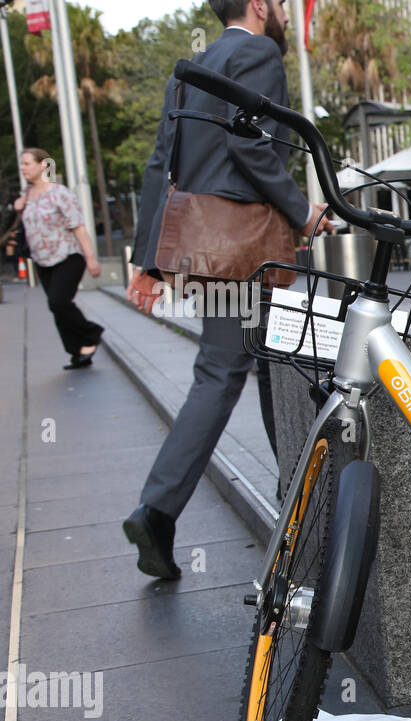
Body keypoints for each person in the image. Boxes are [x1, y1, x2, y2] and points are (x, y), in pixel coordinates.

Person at [123, 0, 331, 581]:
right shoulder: (260, 52)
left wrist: (149, 261)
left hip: (206, 246)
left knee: (232, 370)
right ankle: (294, 507)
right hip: (250, 245)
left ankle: (160, 510)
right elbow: (250, 143)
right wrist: (302, 211)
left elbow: (160, 163)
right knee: (268, 365)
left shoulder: (192, 65)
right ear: (261, 6)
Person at [14, 149, 103, 369]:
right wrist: (19, 209)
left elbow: (78, 226)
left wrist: (91, 258)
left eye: (27, 163)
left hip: (67, 256)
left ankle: (92, 333)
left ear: (43, 165)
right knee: (56, 307)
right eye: (22, 164)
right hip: (42, 260)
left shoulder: (60, 193)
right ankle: (78, 351)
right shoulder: (26, 194)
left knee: (59, 302)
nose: (23, 168)